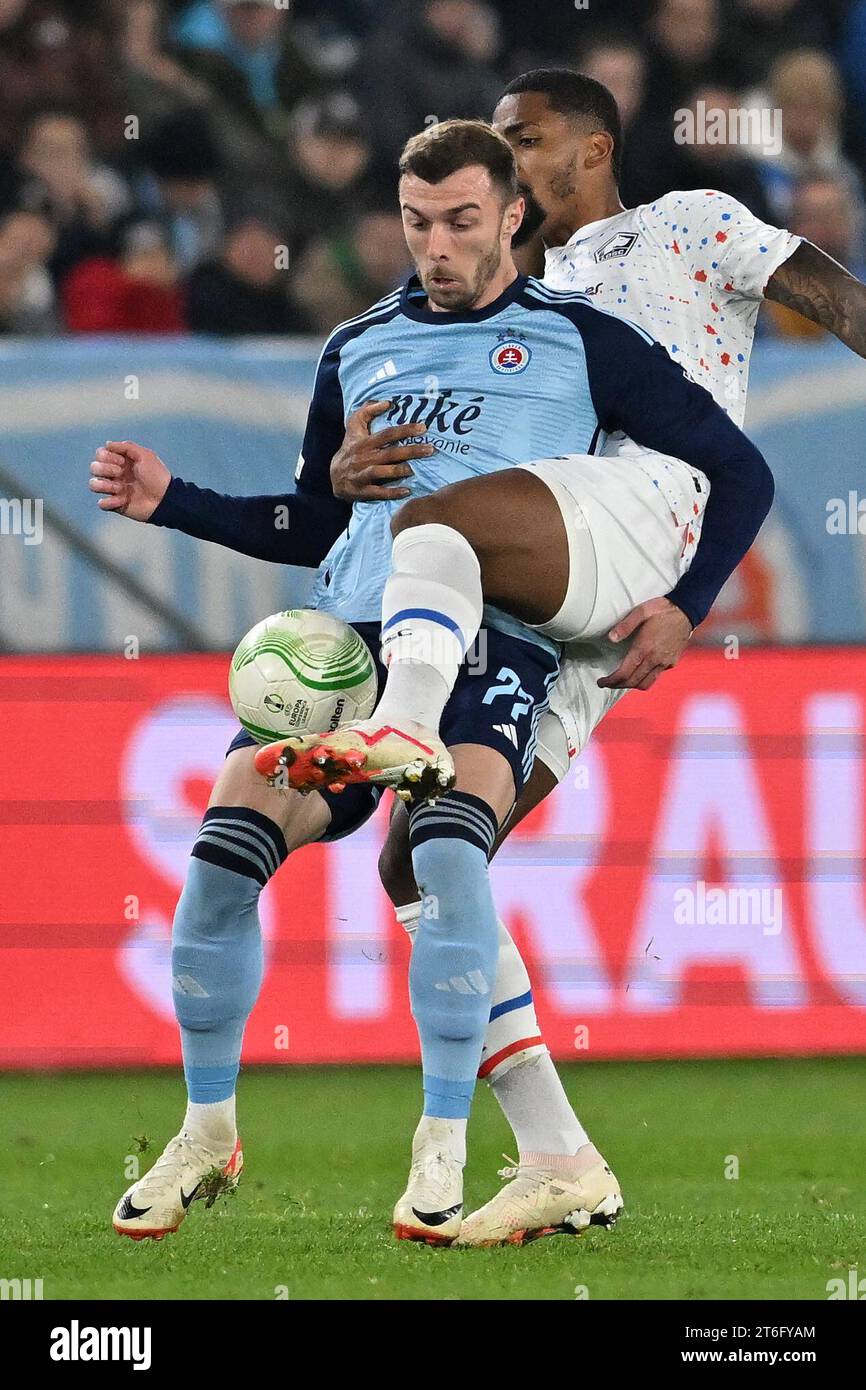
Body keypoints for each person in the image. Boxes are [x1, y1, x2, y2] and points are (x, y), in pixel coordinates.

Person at [267, 64, 866, 1244]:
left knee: (445, 526)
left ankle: (397, 722)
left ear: (590, 151)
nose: (499, 162)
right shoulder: (514, 287)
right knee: (423, 863)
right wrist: (335, 477)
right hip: (555, 585)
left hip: (644, 506)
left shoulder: (685, 226)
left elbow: (839, 302)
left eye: (519, 140)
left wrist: (691, 598)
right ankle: (557, 1156)